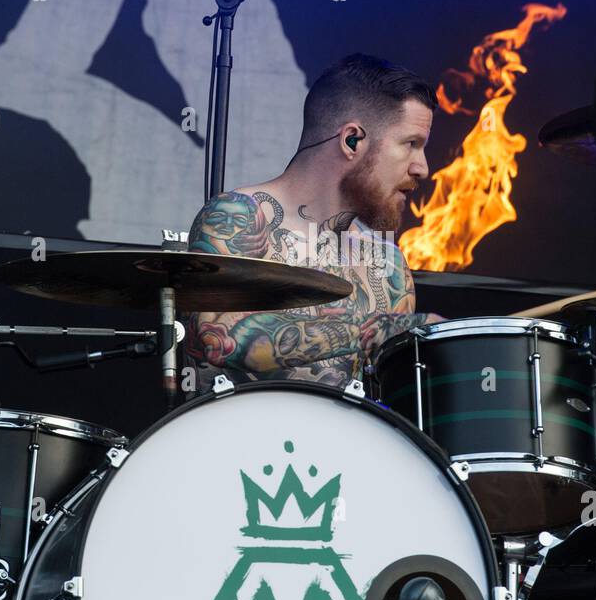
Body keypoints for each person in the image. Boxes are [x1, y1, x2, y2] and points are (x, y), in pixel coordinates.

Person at [183, 53, 442, 392]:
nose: (422, 167)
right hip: (238, 439)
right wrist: (375, 329)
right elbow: (218, 338)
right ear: (352, 140)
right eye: (411, 144)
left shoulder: (388, 264)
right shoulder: (241, 217)